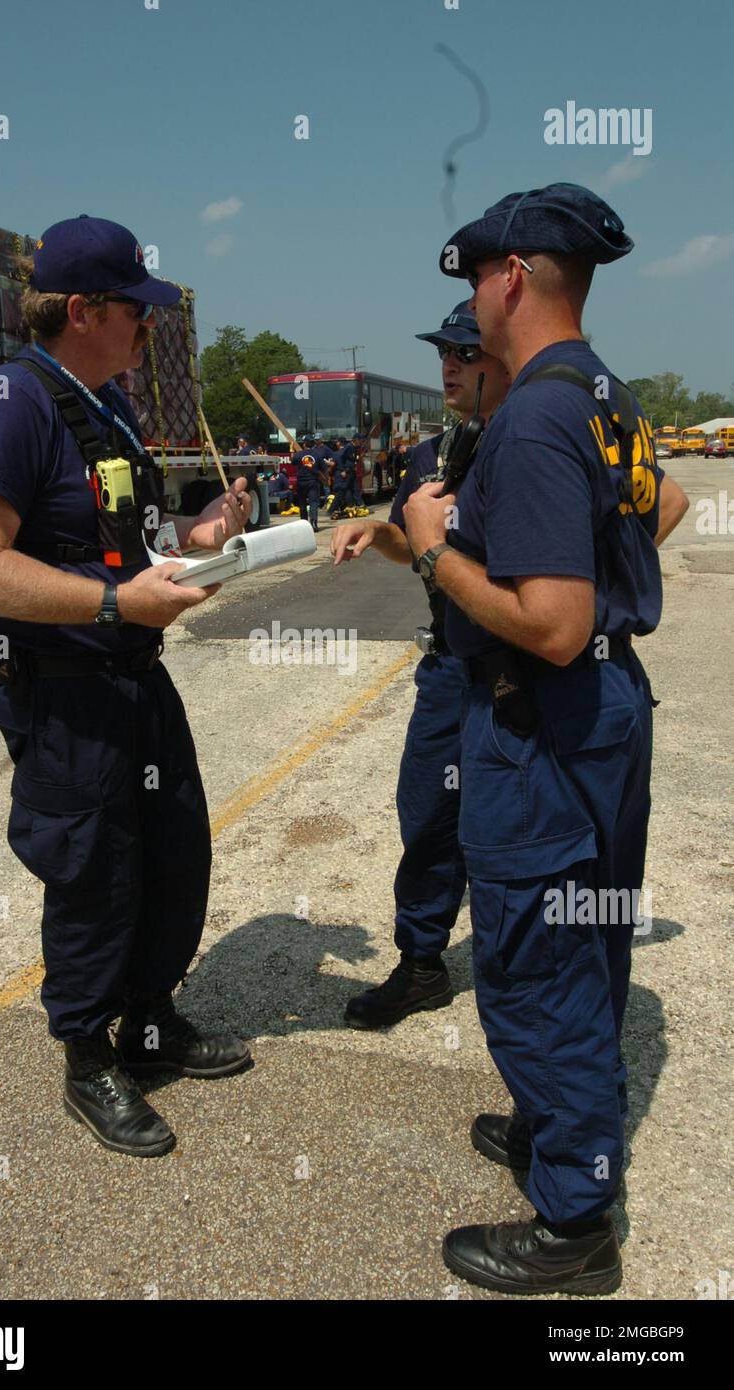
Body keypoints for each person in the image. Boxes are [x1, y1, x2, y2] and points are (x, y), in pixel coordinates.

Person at [403, 183, 689, 1294]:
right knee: (593, 943)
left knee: (536, 963)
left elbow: (556, 626)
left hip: (550, 720)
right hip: (614, 717)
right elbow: (656, 512)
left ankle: (573, 1220)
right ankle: (561, 1128)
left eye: (476, 279)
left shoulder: (530, 414)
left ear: (512, 277)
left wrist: (433, 550)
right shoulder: (601, 389)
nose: (472, 302)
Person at [0, 215, 253, 1161]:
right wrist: (118, 601)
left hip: (132, 677)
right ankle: (89, 1058)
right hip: (68, 692)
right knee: (94, 878)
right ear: (82, 310)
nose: (147, 329)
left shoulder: (104, 402)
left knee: (170, 857)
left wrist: (198, 541)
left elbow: (111, 546)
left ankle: (150, 1025)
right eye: (135, 311)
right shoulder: (12, 401)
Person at [332, 303, 510, 1027]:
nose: (448, 366)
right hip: (449, 667)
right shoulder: (427, 455)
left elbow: (665, 501)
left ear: (500, 357)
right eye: (443, 352)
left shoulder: (538, 440)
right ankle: (422, 964)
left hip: (518, 668)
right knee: (428, 815)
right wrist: (381, 532)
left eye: (464, 353)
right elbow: (418, 549)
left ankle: (515, 972)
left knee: (510, 827)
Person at [293, 449, 327, 530]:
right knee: (313, 503)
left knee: (302, 504)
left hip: (301, 482)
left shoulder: (299, 454)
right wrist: (326, 479)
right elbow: (324, 468)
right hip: (313, 482)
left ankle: (304, 525)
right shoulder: (317, 454)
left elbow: (293, 462)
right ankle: (314, 524)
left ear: (304, 444)